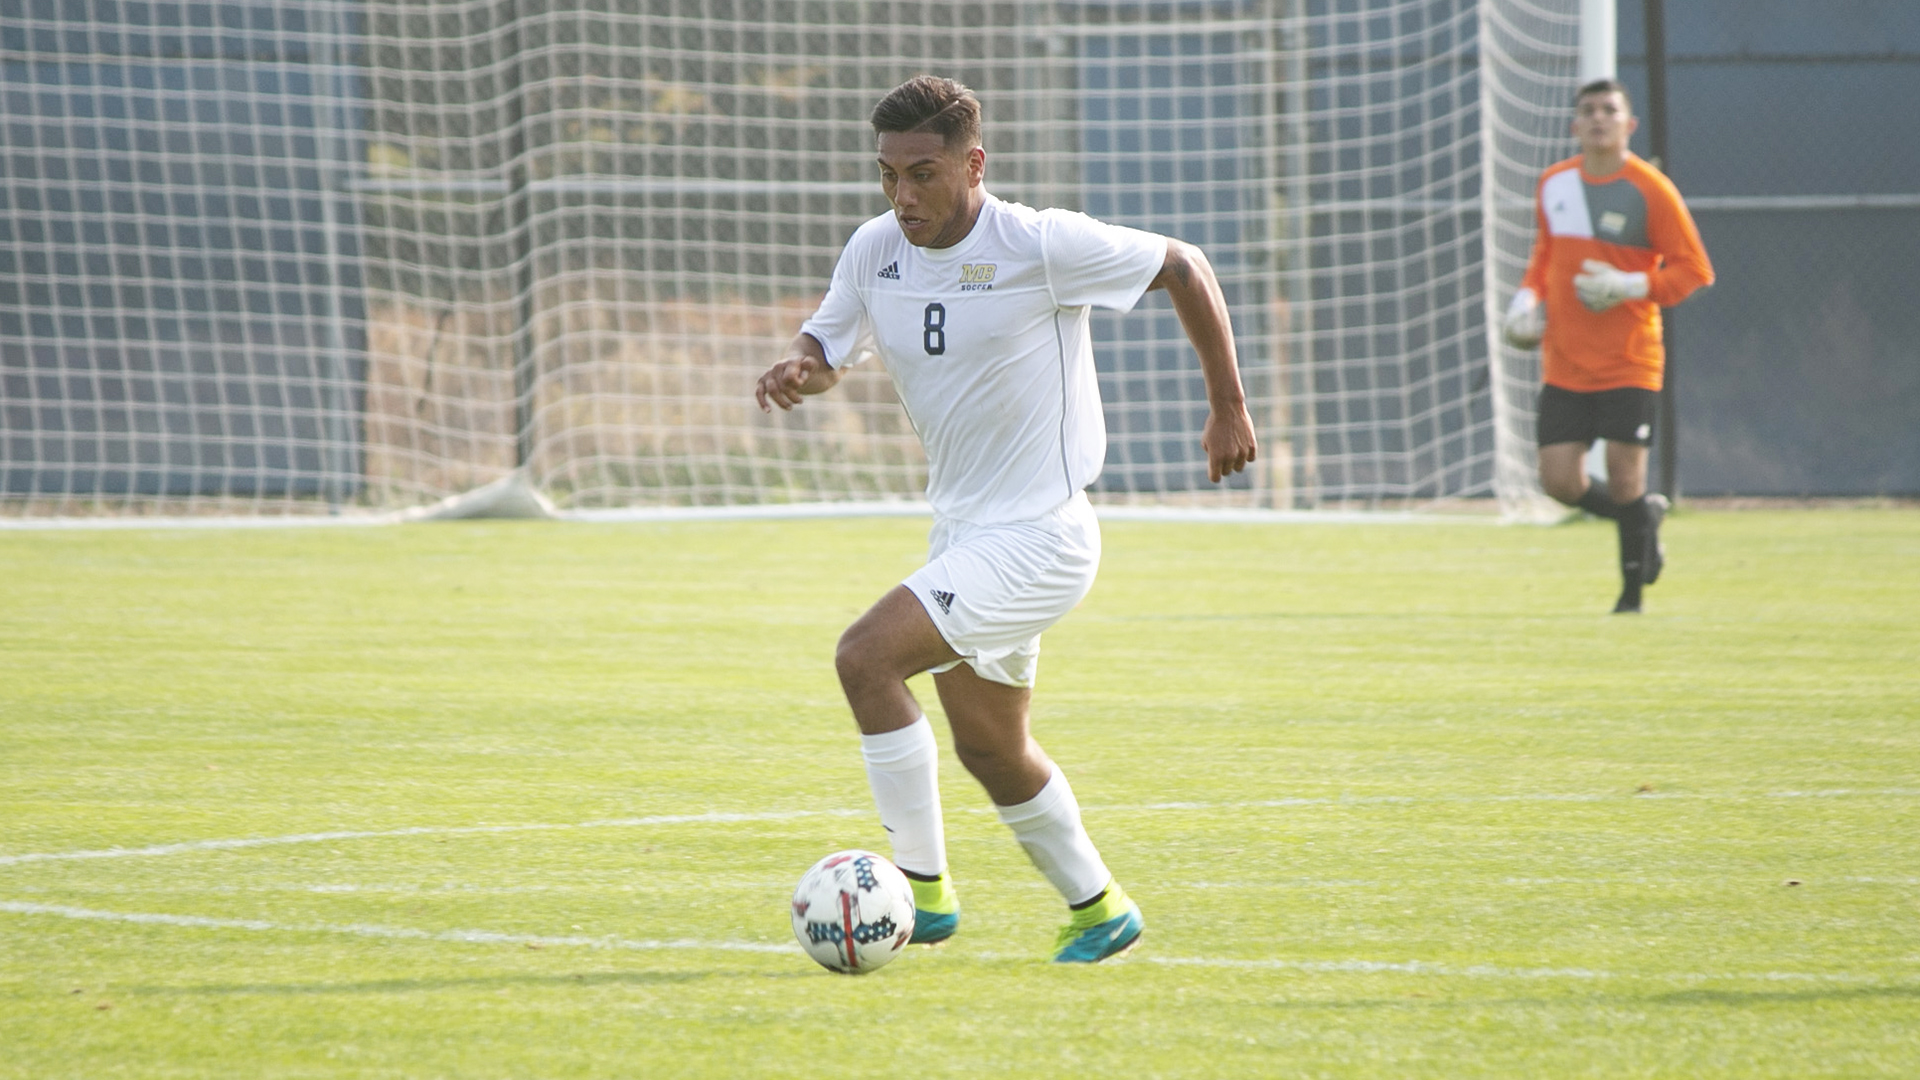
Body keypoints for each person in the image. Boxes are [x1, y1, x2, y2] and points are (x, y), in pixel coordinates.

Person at [754, 75, 1257, 962]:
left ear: (972, 163)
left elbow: (1183, 265)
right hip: (963, 534)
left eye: (923, 173)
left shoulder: (1040, 243)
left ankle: (921, 892)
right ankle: (1101, 910)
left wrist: (1227, 407)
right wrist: (802, 367)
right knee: (992, 747)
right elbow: (830, 344)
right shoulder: (876, 249)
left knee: (864, 659)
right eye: (888, 175)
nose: (903, 195)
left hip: (1041, 535)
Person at [1502, 78, 1713, 613]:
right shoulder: (1555, 183)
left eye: (1609, 110)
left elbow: (1695, 271)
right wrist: (1526, 299)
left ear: (1629, 124)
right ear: (1575, 125)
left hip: (1629, 360)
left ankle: (1630, 598)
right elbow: (1545, 256)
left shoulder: (1650, 189)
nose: (1599, 118)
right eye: (1589, 110)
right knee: (1558, 481)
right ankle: (1645, 518)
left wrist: (1631, 286)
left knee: (1625, 480)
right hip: (1566, 361)